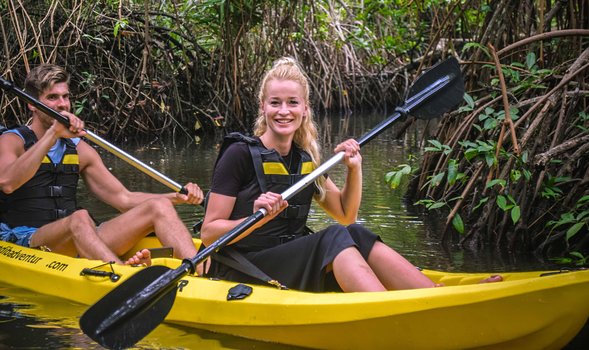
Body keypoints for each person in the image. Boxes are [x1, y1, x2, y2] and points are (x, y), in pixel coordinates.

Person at [201, 57, 499, 292]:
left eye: (292, 103)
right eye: (275, 102)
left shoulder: (305, 160)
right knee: (333, 237)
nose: (283, 111)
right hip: (244, 265)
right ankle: (388, 308)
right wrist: (254, 218)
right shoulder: (239, 154)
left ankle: (435, 294)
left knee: (353, 232)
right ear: (263, 106)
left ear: (305, 109)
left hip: (288, 260)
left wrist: (354, 169)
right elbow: (209, 231)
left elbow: (345, 215)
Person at [0, 64, 203, 268]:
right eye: (52, 98)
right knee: (80, 218)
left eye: (65, 96)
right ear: (32, 104)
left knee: (159, 206)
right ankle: (123, 276)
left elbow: (124, 199)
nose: (62, 104)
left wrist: (175, 197)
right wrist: (52, 134)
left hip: (76, 237)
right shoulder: (11, 141)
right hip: (26, 239)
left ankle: (203, 274)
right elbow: (6, 183)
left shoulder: (79, 150)